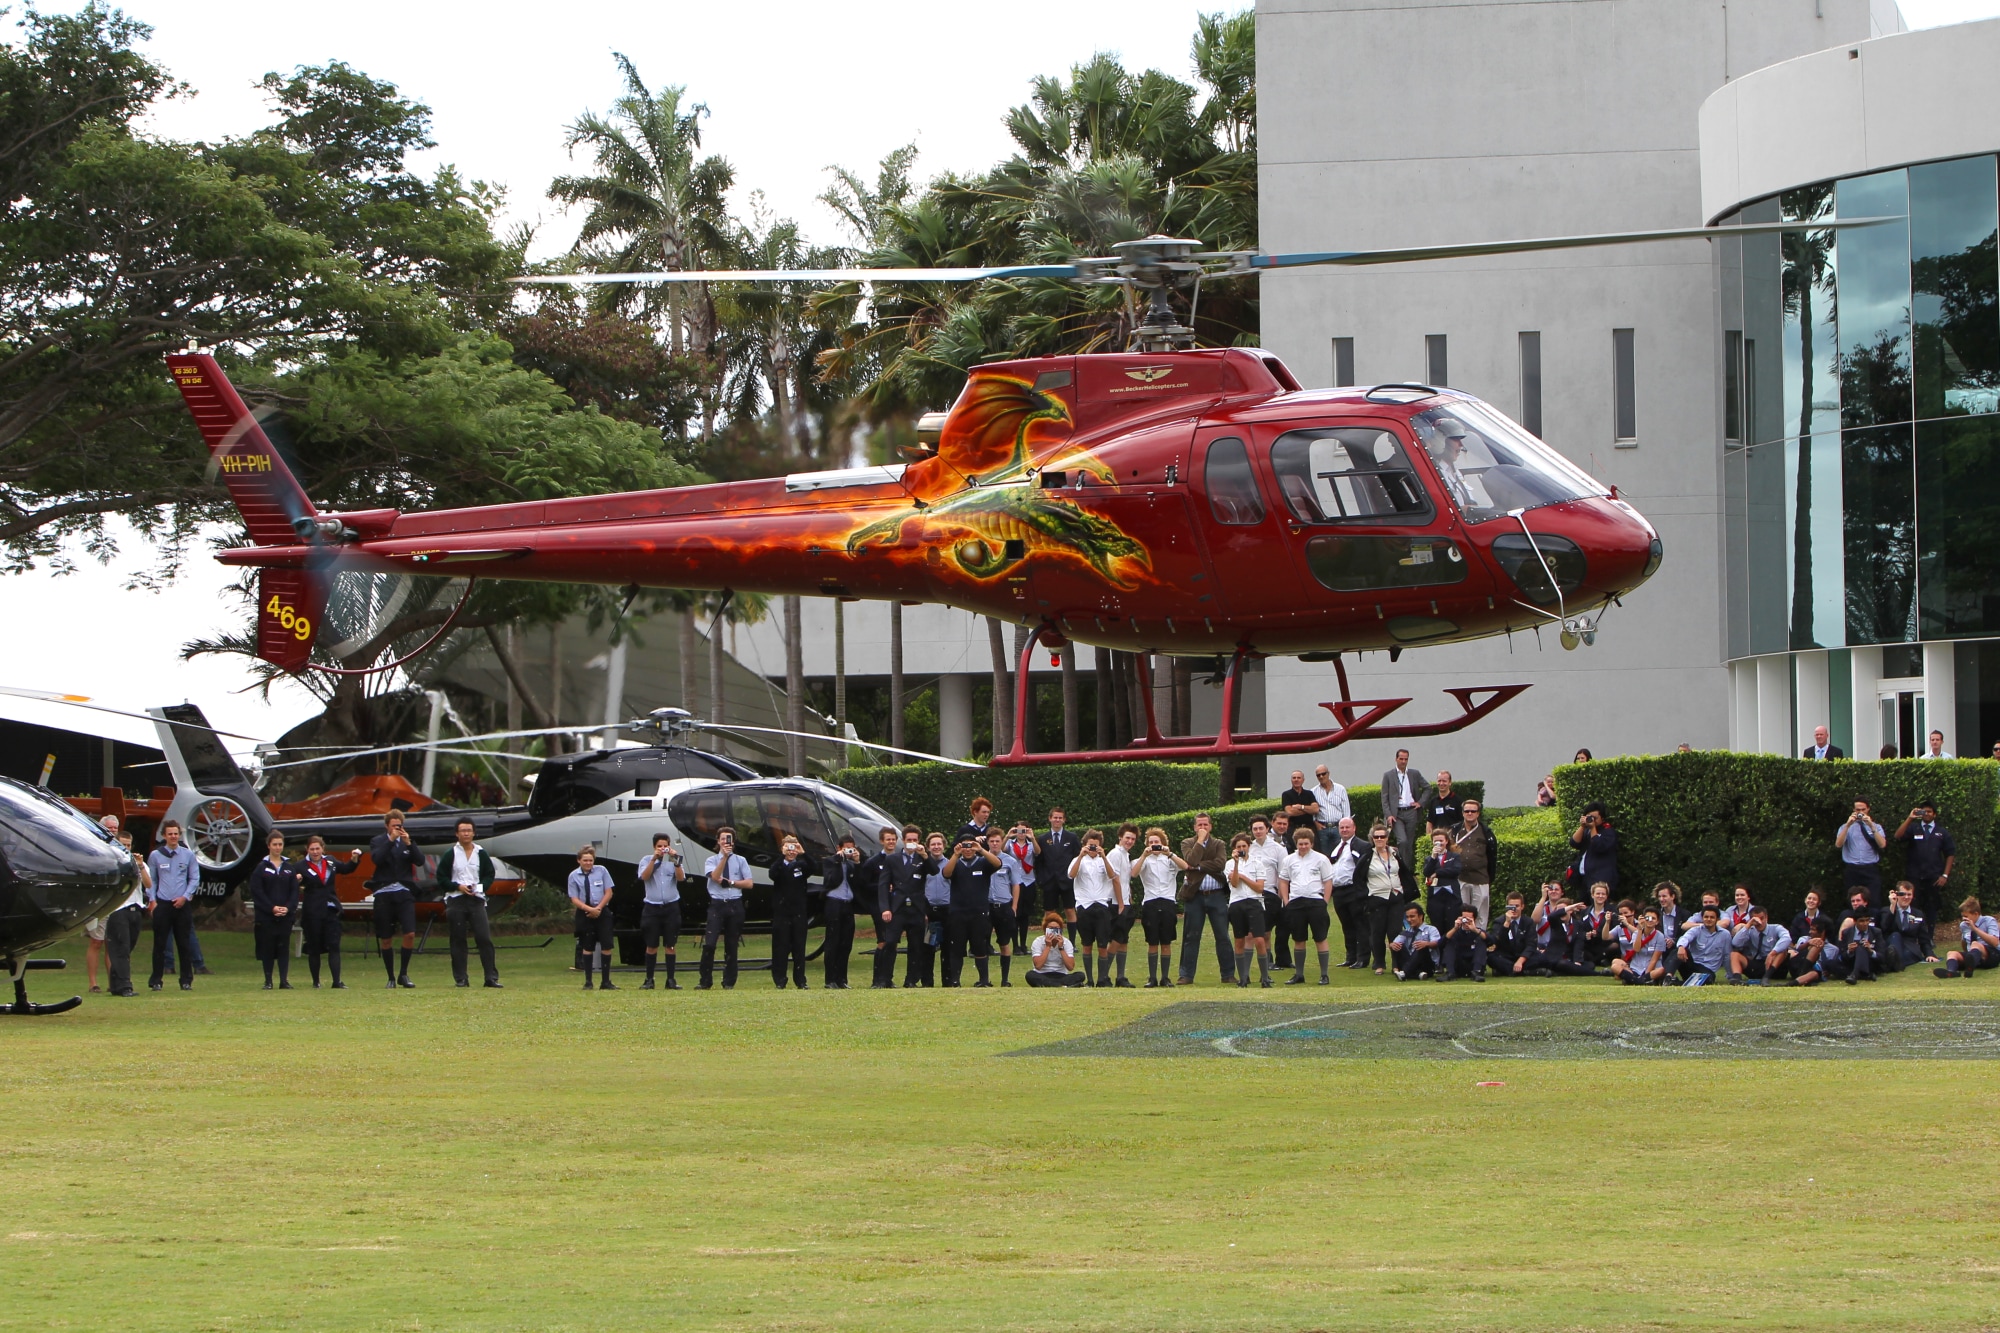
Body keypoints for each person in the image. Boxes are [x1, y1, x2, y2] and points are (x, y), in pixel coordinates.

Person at [443, 817, 502, 990]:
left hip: (476, 899)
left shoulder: (480, 853)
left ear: (474, 833)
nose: (466, 833)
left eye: (469, 830)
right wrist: (457, 886)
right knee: (458, 939)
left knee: (484, 938)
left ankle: (491, 977)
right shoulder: (451, 854)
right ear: (457, 833)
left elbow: (489, 875)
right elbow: (441, 878)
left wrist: (479, 887)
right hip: (456, 899)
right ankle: (461, 978)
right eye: (463, 830)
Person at [367, 810, 423, 989]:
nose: (397, 829)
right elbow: (377, 859)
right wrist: (390, 840)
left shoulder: (407, 842)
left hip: (404, 891)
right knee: (386, 938)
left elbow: (420, 861)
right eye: (394, 826)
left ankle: (403, 973)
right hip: (384, 892)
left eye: (399, 826)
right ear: (387, 826)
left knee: (410, 933)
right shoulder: (378, 841)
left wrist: (410, 844)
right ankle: (390, 976)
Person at [872, 824, 932, 989]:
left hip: (916, 908)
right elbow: (883, 885)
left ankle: (911, 980)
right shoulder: (892, 859)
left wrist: (925, 855)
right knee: (890, 942)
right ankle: (885, 979)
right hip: (897, 908)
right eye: (909, 840)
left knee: (916, 945)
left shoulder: (922, 859)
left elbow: (934, 871)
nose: (912, 842)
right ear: (903, 841)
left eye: (915, 840)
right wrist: (885, 908)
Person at [1176, 812, 1231, 986]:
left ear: (1210, 826)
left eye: (1205, 825)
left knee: (1222, 935)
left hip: (1216, 895)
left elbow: (1220, 864)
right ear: (1194, 827)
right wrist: (1199, 842)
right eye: (1199, 825)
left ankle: (1228, 974)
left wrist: (1197, 866)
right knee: (1191, 936)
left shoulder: (1219, 844)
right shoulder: (1187, 843)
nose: (1202, 828)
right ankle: (1186, 975)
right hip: (1195, 896)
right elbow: (1189, 859)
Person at [942, 826, 1001, 987]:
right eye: (964, 846)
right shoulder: (956, 862)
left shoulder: (982, 862)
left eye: (970, 845)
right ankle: (955, 980)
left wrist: (981, 849)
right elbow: (946, 873)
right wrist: (955, 854)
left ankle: (983, 980)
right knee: (957, 948)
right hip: (958, 913)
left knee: (980, 947)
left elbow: (997, 864)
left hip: (979, 912)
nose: (968, 849)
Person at [146, 819, 200, 992]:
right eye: (170, 834)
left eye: (176, 833)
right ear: (164, 836)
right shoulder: (156, 855)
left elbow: (194, 878)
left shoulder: (188, 855)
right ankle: (156, 980)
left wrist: (185, 896)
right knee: (159, 944)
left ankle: (186, 980)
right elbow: (151, 879)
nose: (173, 836)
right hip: (162, 903)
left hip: (182, 904)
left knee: (184, 943)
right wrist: (152, 900)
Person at [1279, 827, 1337, 985]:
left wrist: (1324, 901)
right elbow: (1283, 880)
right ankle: (1299, 974)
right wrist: (1286, 901)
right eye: (1300, 844)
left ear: (1311, 843)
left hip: (1315, 901)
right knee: (1298, 938)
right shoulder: (1289, 860)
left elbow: (1328, 881)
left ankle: (1324, 975)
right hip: (1296, 902)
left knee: (1320, 937)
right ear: (1296, 844)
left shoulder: (1321, 859)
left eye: (1306, 843)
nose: (1303, 846)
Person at [296, 835, 356, 989]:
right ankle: (316, 981)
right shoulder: (301, 866)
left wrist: (355, 859)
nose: (315, 852)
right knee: (314, 946)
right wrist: (296, 880)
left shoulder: (330, 861)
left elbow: (346, 868)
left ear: (323, 848)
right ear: (307, 850)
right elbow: (292, 883)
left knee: (334, 945)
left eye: (317, 848)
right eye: (312, 849)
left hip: (330, 909)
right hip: (313, 911)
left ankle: (337, 981)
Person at [1134, 826, 1186, 989]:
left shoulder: (1170, 858)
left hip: (1168, 901)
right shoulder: (1144, 860)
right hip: (1150, 901)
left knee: (1166, 941)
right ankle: (1152, 978)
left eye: (1157, 842)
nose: (1154, 845)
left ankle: (1165, 977)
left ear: (1163, 843)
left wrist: (1169, 853)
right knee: (1152, 941)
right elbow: (1134, 873)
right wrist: (1144, 854)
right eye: (1151, 842)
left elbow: (1185, 866)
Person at [699, 828, 752, 989]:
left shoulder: (741, 860)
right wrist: (724, 858)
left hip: (734, 903)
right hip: (717, 904)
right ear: (718, 841)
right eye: (722, 839)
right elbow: (715, 877)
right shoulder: (711, 860)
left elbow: (749, 883)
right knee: (710, 943)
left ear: (733, 842)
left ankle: (729, 982)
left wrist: (731, 882)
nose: (725, 842)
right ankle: (705, 981)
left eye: (728, 839)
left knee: (731, 944)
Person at [1068, 831, 1122, 987]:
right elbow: (1071, 875)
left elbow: (1112, 876)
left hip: (1101, 905)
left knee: (1102, 944)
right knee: (1087, 944)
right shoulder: (1078, 860)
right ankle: (1090, 979)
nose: (1092, 848)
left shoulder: (1103, 861)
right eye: (1090, 845)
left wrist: (1103, 857)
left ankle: (1102, 979)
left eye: (1095, 845)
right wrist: (1080, 856)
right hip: (1084, 905)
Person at [247, 830, 300, 989]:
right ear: (269, 846)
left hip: (285, 917)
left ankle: (284, 980)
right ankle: (268, 980)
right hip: (267, 917)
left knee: (283, 948)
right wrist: (271, 908)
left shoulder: (289, 868)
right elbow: (257, 892)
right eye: (275, 844)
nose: (278, 847)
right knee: (268, 948)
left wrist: (288, 908)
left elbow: (294, 892)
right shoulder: (261, 868)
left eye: (280, 844)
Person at [1894, 799, 1956, 930]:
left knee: (1931, 908)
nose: (1926, 814)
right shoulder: (1913, 828)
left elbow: (1950, 853)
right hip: (1914, 876)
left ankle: (1929, 936)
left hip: (1933, 877)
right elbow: (1898, 836)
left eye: (1929, 811)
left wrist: (1945, 875)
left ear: (1934, 814)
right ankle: (1912, 934)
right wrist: (1910, 818)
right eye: (1924, 811)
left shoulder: (1942, 832)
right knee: (1913, 906)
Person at [818, 832, 869, 990]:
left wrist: (858, 862)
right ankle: (830, 979)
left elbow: (861, 882)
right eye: (846, 849)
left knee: (846, 943)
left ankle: (842, 979)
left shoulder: (853, 864)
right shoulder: (830, 862)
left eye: (851, 849)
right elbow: (831, 880)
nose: (849, 852)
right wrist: (838, 861)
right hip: (834, 903)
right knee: (833, 941)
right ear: (839, 848)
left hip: (848, 904)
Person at [102, 828, 148, 998]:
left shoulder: (138, 863)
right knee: (121, 948)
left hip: (135, 909)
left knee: (127, 949)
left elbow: (149, 884)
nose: (127, 848)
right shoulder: (112, 863)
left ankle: (115, 984)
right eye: (123, 845)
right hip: (118, 909)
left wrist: (141, 866)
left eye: (129, 845)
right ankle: (125, 986)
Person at [1357, 824, 1406, 974]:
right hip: (1377, 897)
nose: (1379, 839)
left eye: (1382, 836)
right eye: (1376, 837)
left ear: (1387, 838)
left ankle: (1397, 964)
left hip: (1396, 895)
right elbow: (1358, 878)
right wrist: (1366, 896)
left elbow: (1403, 872)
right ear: (1372, 839)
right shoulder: (1367, 856)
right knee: (1377, 931)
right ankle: (1379, 963)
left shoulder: (1394, 854)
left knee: (1395, 931)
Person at [638, 833, 685, 989]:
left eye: (665, 846)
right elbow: (644, 876)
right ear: (654, 847)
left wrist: (675, 859)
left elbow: (681, 878)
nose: (662, 849)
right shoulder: (646, 860)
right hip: (652, 907)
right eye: (659, 846)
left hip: (671, 907)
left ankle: (671, 980)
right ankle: (649, 979)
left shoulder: (673, 859)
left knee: (670, 944)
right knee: (651, 945)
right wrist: (654, 859)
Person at [1225, 833, 1272, 988]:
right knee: (1239, 939)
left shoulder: (1258, 864)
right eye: (1238, 847)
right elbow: (1234, 883)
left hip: (1254, 902)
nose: (1241, 849)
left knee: (1259, 939)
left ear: (1249, 847)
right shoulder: (1229, 865)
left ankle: (1265, 977)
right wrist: (1237, 865)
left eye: (1244, 846)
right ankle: (1243, 977)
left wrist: (1244, 877)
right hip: (1237, 903)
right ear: (1234, 849)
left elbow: (1259, 887)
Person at [767, 834, 813, 990]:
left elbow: (813, 867)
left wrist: (803, 852)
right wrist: (782, 856)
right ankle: (780, 980)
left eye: (794, 847)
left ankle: (800, 980)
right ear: (783, 848)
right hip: (782, 913)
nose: (792, 850)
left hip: (799, 913)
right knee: (781, 948)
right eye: (789, 847)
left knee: (799, 948)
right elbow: (773, 874)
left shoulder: (801, 866)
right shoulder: (779, 865)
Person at [568, 845, 616, 990]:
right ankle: (588, 981)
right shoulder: (573, 876)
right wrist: (589, 909)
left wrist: (599, 908)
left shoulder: (602, 871)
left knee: (606, 945)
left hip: (602, 910)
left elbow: (609, 892)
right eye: (585, 860)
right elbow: (574, 898)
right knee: (587, 945)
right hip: (585, 912)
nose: (588, 863)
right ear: (579, 861)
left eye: (590, 860)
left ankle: (606, 981)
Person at [1249, 815, 1292, 971]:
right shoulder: (1248, 848)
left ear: (1267, 829)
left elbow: (1284, 875)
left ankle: (1276, 960)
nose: (1258, 831)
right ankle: (1267, 961)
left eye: (1261, 828)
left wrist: (1282, 898)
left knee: (1273, 931)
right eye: (1255, 829)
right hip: (1253, 894)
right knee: (1260, 931)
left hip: (1271, 893)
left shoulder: (1278, 849)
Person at [1324, 817, 1365, 968]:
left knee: (1359, 925)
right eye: (1342, 828)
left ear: (1354, 828)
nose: (1344, 830)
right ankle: (1350, 957)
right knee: (1346, 926)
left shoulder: (1361, 845)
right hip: (1339, 891)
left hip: (1353, 889)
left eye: (1347, 827)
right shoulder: (1337, 845)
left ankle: (1362, 957)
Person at [1036, 809, 1080, 949]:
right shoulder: (1042, 839)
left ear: (1064, 820)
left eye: (1060, 818)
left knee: (1070, 911)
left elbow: (1078, 858)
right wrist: (1042, 879)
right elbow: (1039, 861)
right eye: (1055, 817)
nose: (1057, 820)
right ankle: (1050, 942)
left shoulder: (1071, 838)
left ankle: (1071, 943)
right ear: (1050, 819)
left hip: (1067, 881)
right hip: (1049, 881)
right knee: (1049, 913)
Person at [987, 827, 1025, 987]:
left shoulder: (1010, 861)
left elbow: (1016, 884)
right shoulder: (981, 858)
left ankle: (1005, 979)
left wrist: (1014, 907)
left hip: (1004, 906)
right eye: (992, 841)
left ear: (1002, 841)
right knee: (982, 943)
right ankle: (984, 979)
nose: (995, 844)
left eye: (997, 841)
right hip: (986, 906)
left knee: (1004, 943)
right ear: (987, 842)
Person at [1449, 800, 1496, 929]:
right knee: (1461, 911)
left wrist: (1489, 877)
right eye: (1467, 811)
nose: (1469, 813)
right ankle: (1462, 937)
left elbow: (1492, 857)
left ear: (1478, 813)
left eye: (1473, 811)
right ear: (1462, 813)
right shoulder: (1455, 830)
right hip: (1460, 878)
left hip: (1480, 878)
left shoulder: (1486, 832)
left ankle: (1479, 938)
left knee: (1480, 912)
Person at [1105, 824, 1140, 987]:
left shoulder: (1125, 855)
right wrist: (1120, 903)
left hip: (1125, 902)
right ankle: (1104, 975)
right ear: (1120, 837)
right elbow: (1115, 879)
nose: (1130, 841)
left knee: (1123, 940)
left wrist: (1129, 898)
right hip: (1116, 903)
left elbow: (1126, 881)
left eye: (1133, 839)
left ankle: (1120, 977)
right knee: (1116, 939)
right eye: (1127, 838)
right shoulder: (1115, 854)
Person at [1834, 799, 1887, 908]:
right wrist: (1848, 825)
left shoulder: (1876, 826)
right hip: (1852, 868)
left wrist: (1871, 826)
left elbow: (1882, 844)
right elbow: (1838, 844)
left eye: (1863, 810)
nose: (1860, 812)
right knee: (1852, 901)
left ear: (1868, 809)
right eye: (1858, 810)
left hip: (1870, 868)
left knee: (1874, 900)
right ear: (1853, 810)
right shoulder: (1845, 827)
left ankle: (1872, 923)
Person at [1380, 749, 1428, 857]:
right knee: (1402, 841)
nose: (1403, 761)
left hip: (1411, 811)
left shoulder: (1414, 774)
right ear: (1396, 759)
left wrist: (1420, 802)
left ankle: (1407, 871)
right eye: (1401, 759)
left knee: (1409, 843)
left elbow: (1427, 788)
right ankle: (1401, 867)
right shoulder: (1388, 775)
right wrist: (1388, 815)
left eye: (1406, 759)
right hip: (1397, 814)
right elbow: (1384, 797)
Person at [1936, 897, 2000, 977]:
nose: (1963, 919)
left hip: (1991, 956)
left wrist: (1975, 929)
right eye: (1962, 916)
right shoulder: (1964, 925)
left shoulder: (1989, 921)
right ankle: (1951, 971)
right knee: (1951, 953)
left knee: (1975, 944)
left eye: (1966, 916)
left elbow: (1995, 942)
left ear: (1976, 914)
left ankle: (1970, 967)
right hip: (1973, 955)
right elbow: (1964, 942)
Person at [1878, 881, 1932, 972]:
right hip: (1892, 945)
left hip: (1910, 949)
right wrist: (1893, 905)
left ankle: (1893, 964)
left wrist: (1929, 954)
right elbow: (1885, 928)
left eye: (1909, 894)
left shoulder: (1918, 914)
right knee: (1896, 935)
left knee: (1902, 957)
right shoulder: (1886, 911)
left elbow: (1924, 938)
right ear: (1896, 894)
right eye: (1903, 894)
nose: (1906, 897)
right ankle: (1895, 963)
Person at [920, 831, 951, 986]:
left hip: (947, 910)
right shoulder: (922, 865)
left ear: (944, 846)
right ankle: (927, 982)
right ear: (928, 847)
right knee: (927, 948)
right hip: (929, 911)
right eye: (933, 844)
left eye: (939, 844)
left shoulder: (951, 863)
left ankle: (948, 982)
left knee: (948, 949)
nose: (936, 847)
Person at [1728, 907, 1789, 986]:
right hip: (1757, 964)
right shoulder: (1750, 930)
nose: (1760, 922)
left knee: (1783, 951)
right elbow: (1736, 943)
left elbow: (1787, 938)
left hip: (1774, 966)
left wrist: (1772, 953)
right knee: (1734, 954)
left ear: (1766, 917)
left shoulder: (1776, 928)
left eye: (1762, 918)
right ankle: (1737, 979)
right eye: (1756, 919)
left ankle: (1766, 978)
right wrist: (1748, 925)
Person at [1610, 906, 1670, 985]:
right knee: (1615, 966)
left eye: (1653, 918)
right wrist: (1640, 930)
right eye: (1647, 918)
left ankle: (1635, 980)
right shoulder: (1636, 933)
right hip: (1636, 968)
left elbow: (1654, 959)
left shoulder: (1660, 936)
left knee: (1661, 970)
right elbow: (1636, 949)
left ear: (1657, 921)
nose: (1650, 921)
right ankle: (1642, 982)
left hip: (1651, 970)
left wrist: (1646, 975)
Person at [1568, 803, 1618, 895]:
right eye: (1589, 817)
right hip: (1584, 876)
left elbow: (1599, 846)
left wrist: (1593, 828)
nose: (1592, 820)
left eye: (1595, 818)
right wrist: (1582, 826)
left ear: (1602, 818)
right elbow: (1574, 843)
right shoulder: (1586, 830)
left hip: (1600, 878)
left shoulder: (1608, 831)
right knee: (1584, 906)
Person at [1004, 821, 1039, 952]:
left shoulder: (1030, 844)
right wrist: (1007, 836)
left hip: (1028, 880)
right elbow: (1001, 850)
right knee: (1014, 914)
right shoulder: (1010, 843)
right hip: (1015, 881)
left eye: (1023, 831)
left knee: (1025, 915)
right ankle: (1015, 945)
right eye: (1019, 831)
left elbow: (1038, 852)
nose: (1021, 834)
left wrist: (1033, 838)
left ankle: (1023, 944)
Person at [1026, 911, 1087, 987]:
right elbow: (1038, 966)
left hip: (1061, 975)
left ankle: (1054, 985)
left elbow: (1070, 967)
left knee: (1080, 975)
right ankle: (1062, 986)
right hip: (1043, 974)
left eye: (1056, 929)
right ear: (1045, 930)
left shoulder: (1066, 942)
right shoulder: (1038, 941)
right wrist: (1048, 946)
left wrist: (1061, 948)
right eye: (1051, 929)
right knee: (1030, 975)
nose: (1054, 932)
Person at [1675, 906, 1731, 986]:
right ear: (1702, 918)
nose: (1708, 919)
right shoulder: (1696, 930)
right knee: (1677, 950)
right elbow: (1685, 938)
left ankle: (1677, 983)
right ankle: (1668, 976)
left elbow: (1727, 956)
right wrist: (1681, 947)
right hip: (1693, 964)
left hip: (1708, 969)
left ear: (1717, 919)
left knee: (1709, 979)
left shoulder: (1725, 934)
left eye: (1712, 917)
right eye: (1706, 917)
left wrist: (1731, 975)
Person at [1421, 829, 1462, 928]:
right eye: (1436, 841)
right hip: (1436, 894)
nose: (1438, 843)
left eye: (1441, 841)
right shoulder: (1429, 859)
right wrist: (1433, 858)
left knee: (1451, 924)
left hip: (1451, 894)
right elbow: (1426, 872)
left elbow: (1455, 870)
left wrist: (1437, 873)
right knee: (1437, 924)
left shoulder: (1454, 856)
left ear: (1446, 841)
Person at [1388, 903, 1440, 980]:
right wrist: (1392, 945)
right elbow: (1395, 943)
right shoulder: (1406, 932)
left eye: (1412, 916)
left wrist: (1426, 944)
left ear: (1420, 916)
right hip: (1410, 960)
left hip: (1427, 963)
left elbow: (1436, 943)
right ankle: (1418, 973)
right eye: (1407, 917)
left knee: (1421, 946)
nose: (1409, 920)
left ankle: (1404, 973)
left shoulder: (1431, 929)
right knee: (1398, 945)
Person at [1488, 893, 1536, 976]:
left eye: (1516, 906)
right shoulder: (1499, 921)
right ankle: (1526, 972)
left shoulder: (1528, 922)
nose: (1514, 909)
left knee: (1541, 957)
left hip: (1522, 956)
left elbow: (1531, 944)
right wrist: (1507, 923)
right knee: (1491, 958)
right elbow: (1497, 941)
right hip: (1506, 956)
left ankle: (1508, 971)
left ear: (1522, 906)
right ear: (1507, 907)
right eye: (1511, 907)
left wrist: (1520, 961)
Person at [1310, 764, 1350, 856]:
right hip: (1322, 828)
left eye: (1323, 774)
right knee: (1324, 856)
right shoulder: (1313, 791)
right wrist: (1315, 823)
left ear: (1328, 774)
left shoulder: (1340, 789)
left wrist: (1345, 827)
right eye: (1318, 775)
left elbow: (1346, 810)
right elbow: (1312, 811)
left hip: (1338, 827)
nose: (1321, 776)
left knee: (1341, 854)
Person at [1439, 905, 1487, 981]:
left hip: (1473, 963)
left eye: (1469, 919)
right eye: (1464, 919)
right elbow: (1441, 943)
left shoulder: (1478, 932)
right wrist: (1455, 928)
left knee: (1481, 941)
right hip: (1458, 964)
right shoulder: (1455, 932)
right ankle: (1450, 973)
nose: (1466, 922)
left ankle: (1476, 972)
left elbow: (1491, 940)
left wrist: (1474, 929)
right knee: (1449, 941)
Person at [1839, 910, 1881, 985]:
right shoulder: (1846, 932)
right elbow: (1842, 955)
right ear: (1855, 921)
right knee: (1831, 963)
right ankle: (1865, 974)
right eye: (1861, 921)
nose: (1865, 923)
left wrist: (1870, 951)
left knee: (1860, 948)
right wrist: (1849, 951)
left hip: (1870, 962)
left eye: (1867, 920)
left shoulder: (1876, 932)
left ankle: (1854, 975)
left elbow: (1882, 956)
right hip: (1852, 961)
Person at [1279, 770, 1320, 845]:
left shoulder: (1309, 794)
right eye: (1294, 778)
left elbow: (1316, 809)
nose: (1296, 780)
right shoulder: (1286, 794)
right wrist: (1308, 810)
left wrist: (1301, 807)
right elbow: (1289, 812)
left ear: (1303, 780)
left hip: (1309, 828)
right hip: (1293, 828)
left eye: (1298, 778)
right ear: (1291, 780)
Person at [1421, 770, 1463, 839]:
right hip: (1437, 839)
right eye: (1439, 781)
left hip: (1453, 839)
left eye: (1444, 781)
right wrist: (1428, 838)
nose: (1441, 783)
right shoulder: (1433, 801)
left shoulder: (1458, 801)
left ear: (1450, 783)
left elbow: (1462, 822)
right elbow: (1430, 822)